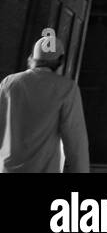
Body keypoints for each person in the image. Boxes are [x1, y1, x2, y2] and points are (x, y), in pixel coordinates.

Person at [0, 30, 90, 173]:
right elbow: (75, 139)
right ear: (61, 61)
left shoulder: (9, 83)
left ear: (31, 57)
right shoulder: (66, 88)